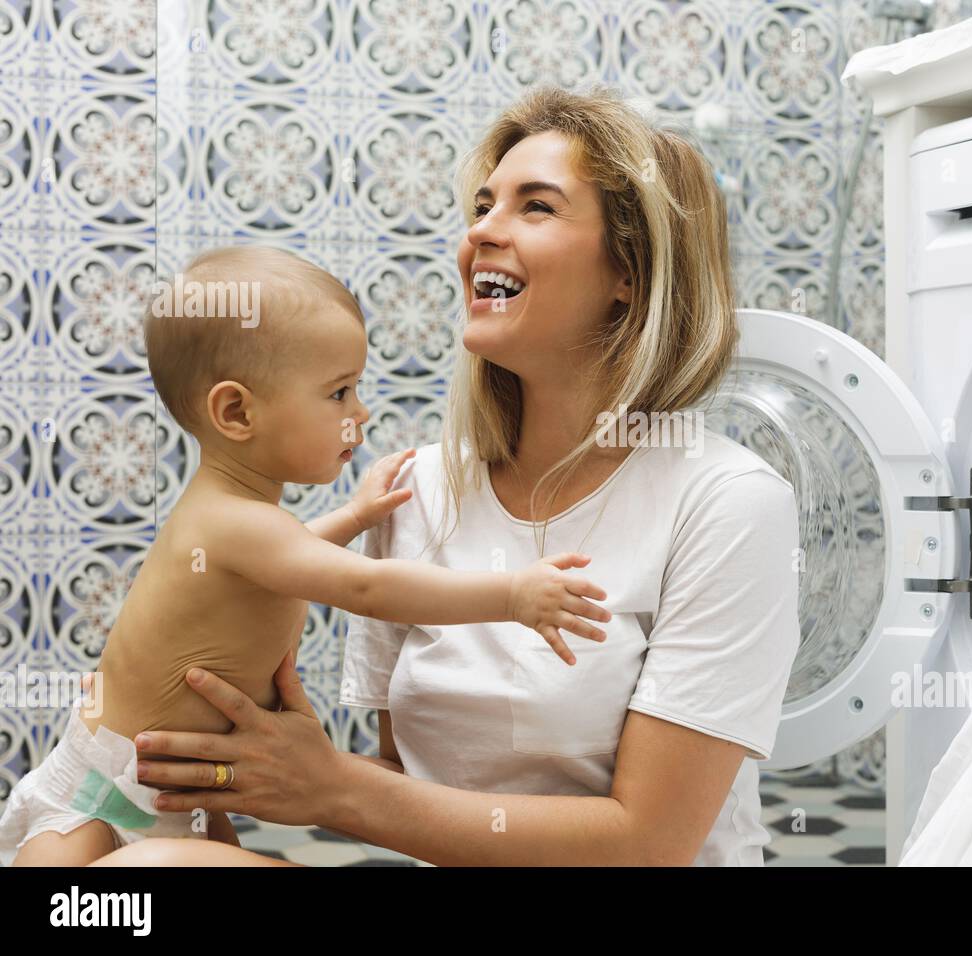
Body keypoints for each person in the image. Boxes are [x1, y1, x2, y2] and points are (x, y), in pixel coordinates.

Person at [88, 85, 801, 867]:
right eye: (484, 204)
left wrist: (329, 788)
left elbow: (649, 843)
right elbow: (408, 782)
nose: (481, 231)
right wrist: (248, 767)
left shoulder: (729, 503)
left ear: (629, 271)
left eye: (535, 207)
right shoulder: (420, 489)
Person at [0, 246, 609, 867]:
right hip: (99, 796)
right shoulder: (232, 522)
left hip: (177, 805)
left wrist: (354, 516)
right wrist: (509, 597)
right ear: (237, 412)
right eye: (338, 393)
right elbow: (367, 588)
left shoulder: (243, 524)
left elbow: (287, 563)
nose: (359, 413)